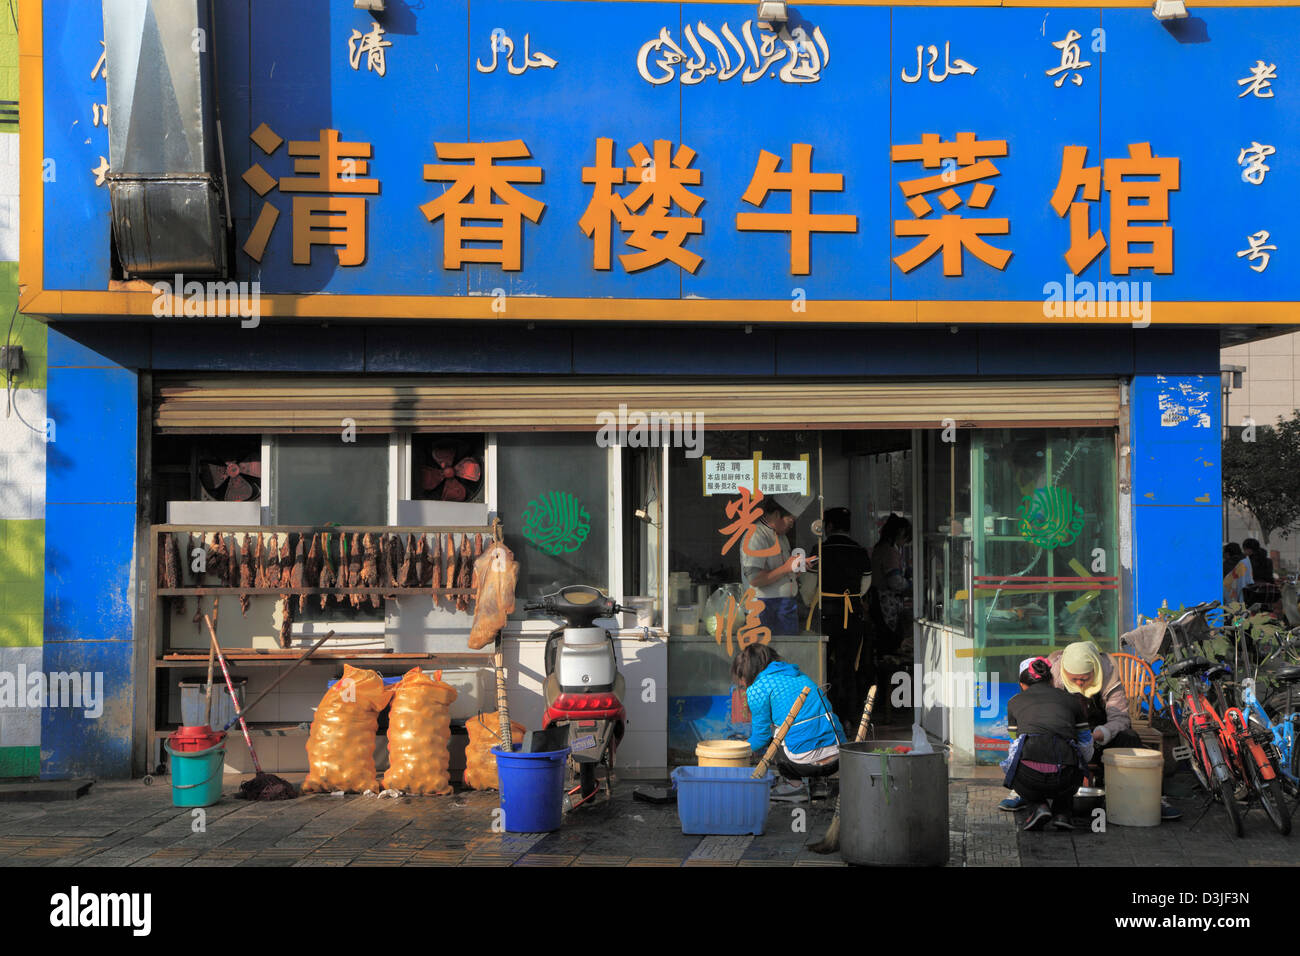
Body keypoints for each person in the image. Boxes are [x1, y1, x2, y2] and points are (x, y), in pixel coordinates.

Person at [1001, 640, 1181, 820]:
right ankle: (1023, 793)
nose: (1079, 683)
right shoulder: (1053, 678)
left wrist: (1102, 733)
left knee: (1129, 738)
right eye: (1074, 679)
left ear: (1095, 670)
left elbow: (1120, 718)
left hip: (1099, 733)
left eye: (1085, 678)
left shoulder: (1109, 675)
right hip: (1065, 737)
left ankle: (1153, 799)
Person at [732, 643, 846, 803]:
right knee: (810, 724)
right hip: (839, 758)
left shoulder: (758, 688)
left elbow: (761, 738)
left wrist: (735, 750)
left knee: (777, 734)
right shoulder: (799, 676)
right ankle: (819, 783)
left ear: (746, 673)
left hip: (803, 762)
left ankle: (795, 786)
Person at [1002, 657, 1092, 831]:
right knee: (1077, 760)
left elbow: (1014, 746)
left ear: (1022, 684)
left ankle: (1038, 806)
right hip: (1065, 778)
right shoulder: (1072, 701)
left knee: (1013, 765)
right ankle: (1062, 813)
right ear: (1052, 680)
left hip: (1030, 778)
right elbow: (1086, 746)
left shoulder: (1014, 702)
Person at [818, 507, 872, 730]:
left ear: (829, 526)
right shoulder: (859, 551)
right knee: (848, 667)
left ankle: (826, 717)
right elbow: (865, 585)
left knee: (824, 667)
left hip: (827, 615)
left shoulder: (821, 549)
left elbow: (810, 587)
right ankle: (849, 718)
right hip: (852, 616)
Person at [740, 497, 813, 637]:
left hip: (784, 606)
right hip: (765, 608)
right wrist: (787, 567)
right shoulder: (756, 535)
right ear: (777, 515)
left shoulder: (780, 536)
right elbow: (755, 580)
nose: (791, 526)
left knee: (786, 655)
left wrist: (796, 568)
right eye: (790, 521)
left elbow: (782, 572)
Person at [868, 514, 912, 656]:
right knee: (890, 641)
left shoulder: (881, 548)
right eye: (905, 537)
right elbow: (895, 582)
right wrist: (911, 585)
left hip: (879, 599)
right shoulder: (889, 551)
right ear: (900, 534)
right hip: (886, 602)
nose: (905, 541)